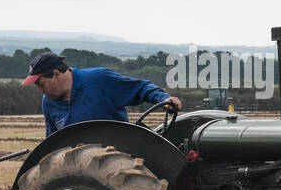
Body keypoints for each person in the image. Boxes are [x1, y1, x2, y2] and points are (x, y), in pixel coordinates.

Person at [24, 52, 183, 137]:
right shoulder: (48, 102)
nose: (41, 91)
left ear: (57, 74)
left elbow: (141, 88)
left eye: (41, 84)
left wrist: (163, 99)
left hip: (117, 156)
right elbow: (52, 141)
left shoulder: (99, 79)